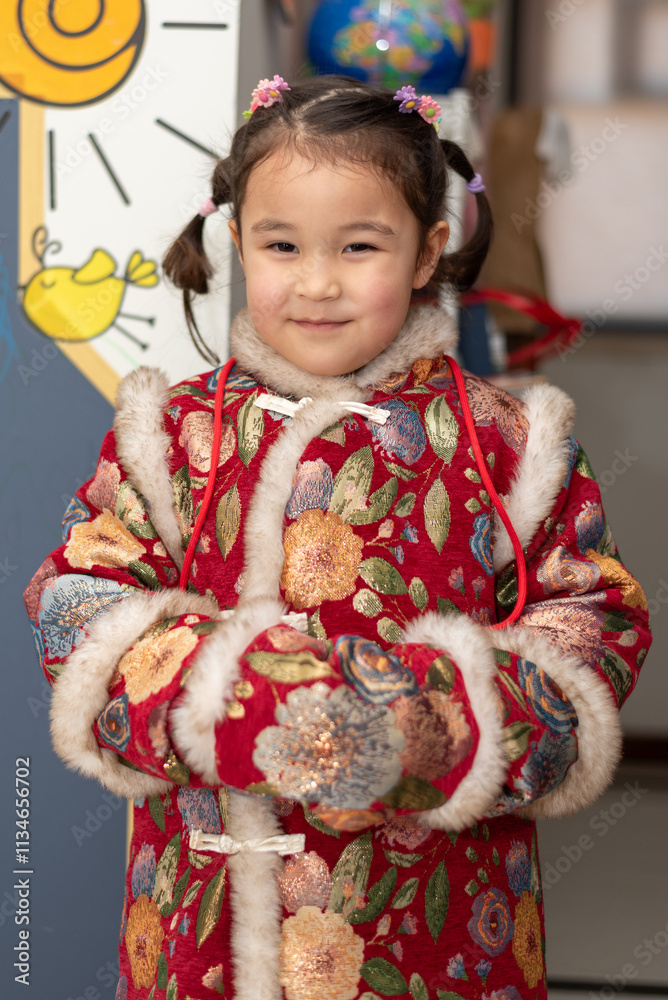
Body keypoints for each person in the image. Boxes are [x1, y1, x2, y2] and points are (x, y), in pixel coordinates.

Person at [25, 75, 650, 1000]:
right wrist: (231, 692)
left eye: (360, 246)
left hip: (435, 925)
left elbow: (593, 622)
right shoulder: (171, 436)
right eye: (282, 245)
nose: (317, 282)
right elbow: (79, 596)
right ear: (239, 241)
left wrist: (423, 724)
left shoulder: (508, 445)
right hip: (203, 918)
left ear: (429, 250)